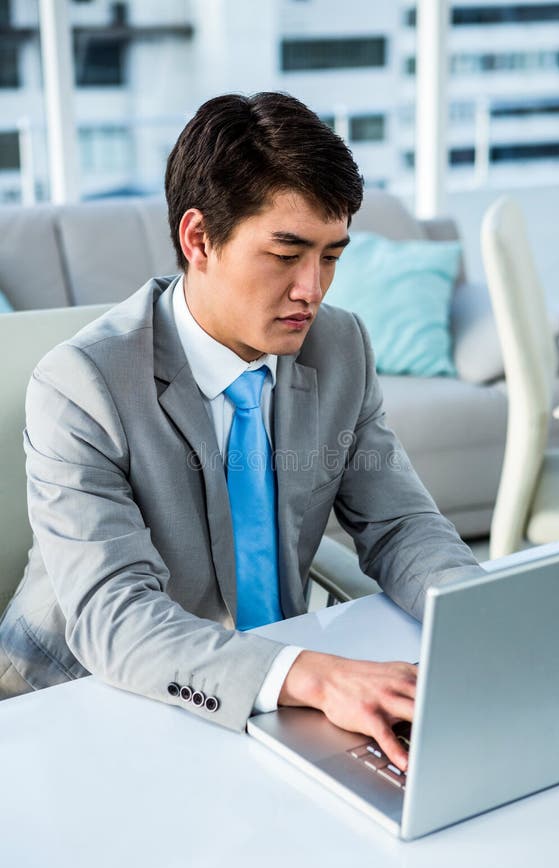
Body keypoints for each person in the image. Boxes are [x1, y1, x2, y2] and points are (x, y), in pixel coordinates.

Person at [0, 92, 480, 771]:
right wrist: (310, 674)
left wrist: (482, 624)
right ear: (198, 239)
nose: (312, 289)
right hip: (72, 710)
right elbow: (114, 616)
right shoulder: (81, 386)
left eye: (332, 256)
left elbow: (401, 523)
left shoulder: (339, 346)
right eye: (286, 254)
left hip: (262, 704)